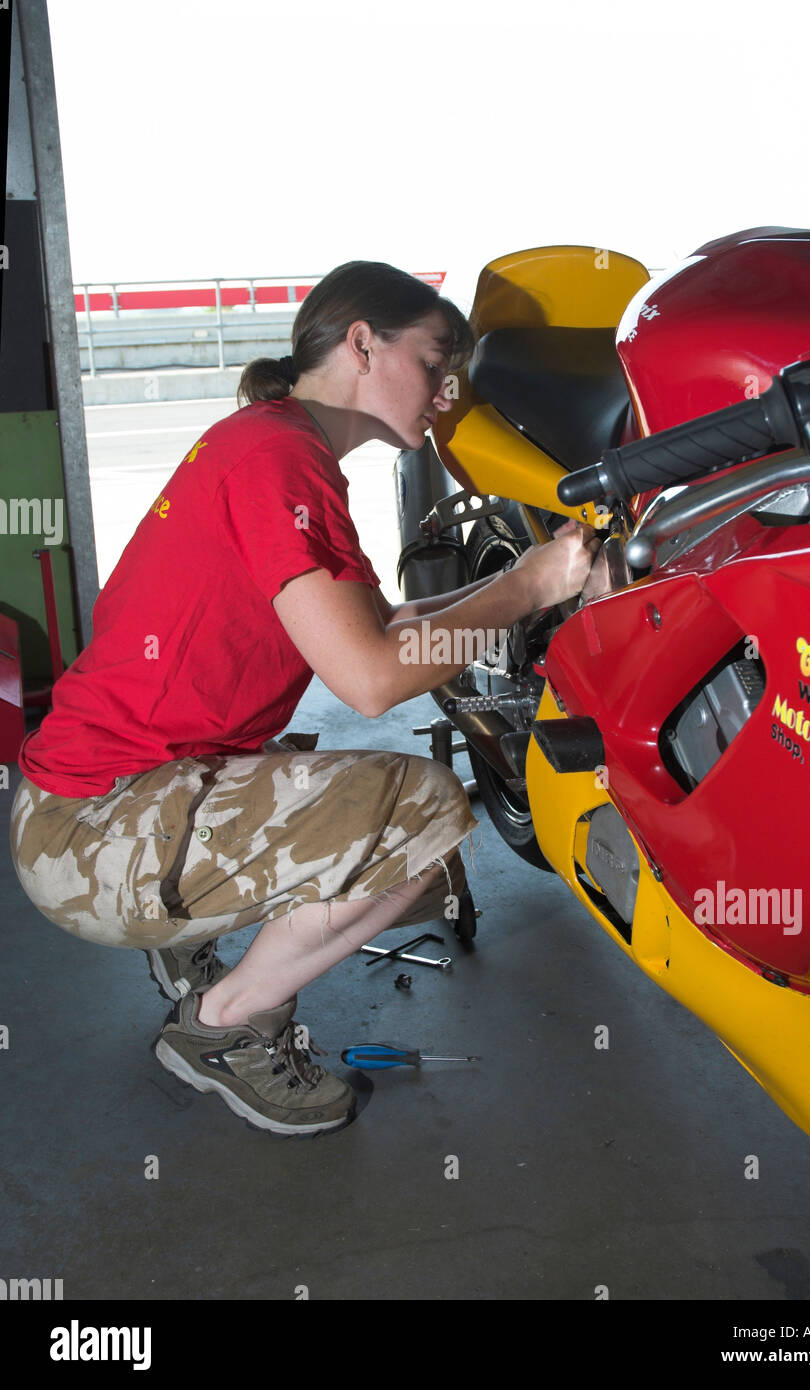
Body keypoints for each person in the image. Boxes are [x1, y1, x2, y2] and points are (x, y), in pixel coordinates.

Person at [9, 261, 598, 1138]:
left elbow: (383, 625)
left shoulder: (273, 442)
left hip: (95, 800)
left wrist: (529, 581)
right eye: (437, 363)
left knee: (312, 780)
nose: (446, 395)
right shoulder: (280, 458)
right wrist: (528, 589)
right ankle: (223, 1030)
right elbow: (370, 680)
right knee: (421, 817)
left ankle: (185, 937)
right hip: (88, 831)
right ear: (363, 343)